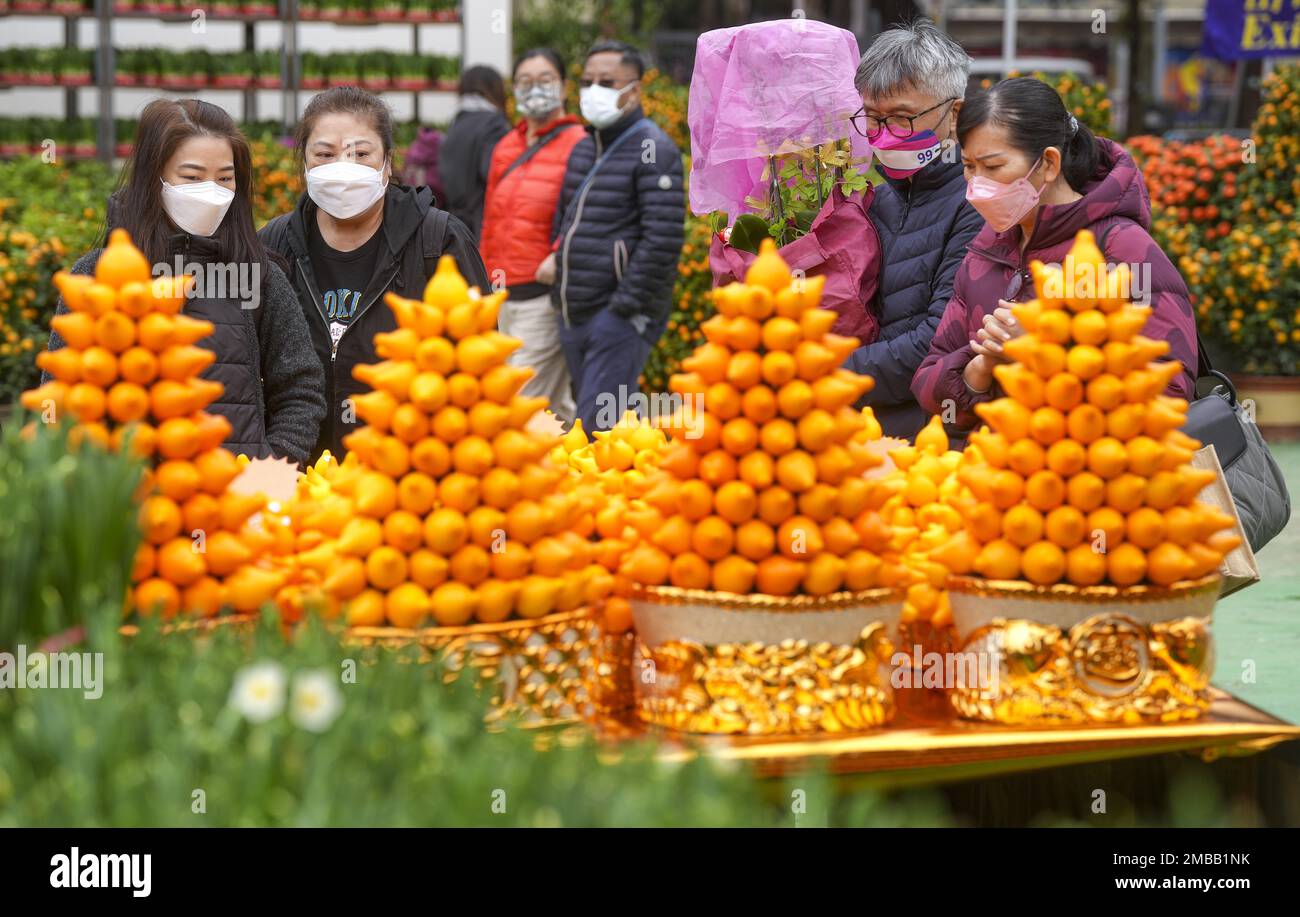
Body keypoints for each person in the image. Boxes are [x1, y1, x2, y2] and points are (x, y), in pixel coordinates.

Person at [45, 98, 325, 464]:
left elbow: (300, 388)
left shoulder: (260, 276)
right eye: (192, 177)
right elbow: (59, 397)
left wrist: (270, 472)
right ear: (153, 178)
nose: (211, 191)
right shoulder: (97, 276)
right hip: (134, 508)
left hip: (237, 504)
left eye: (225, 178)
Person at [912, 76, 1197, 434]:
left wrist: (1044, 352)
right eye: (969, 166)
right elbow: (928, 385)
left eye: (994, 167)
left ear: (1048, 163)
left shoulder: (1122, 249)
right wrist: (981, 367)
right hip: (996, 473)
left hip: (1087, 477)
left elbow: (1169, 394)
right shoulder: (987, 247)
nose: (977, 184)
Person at [260, 86, 489, 460]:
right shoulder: (274, 244)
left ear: (387, 162)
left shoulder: (437, 241)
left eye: (360, 154)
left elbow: (478, 363)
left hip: (407, 470)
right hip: (298, 474)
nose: (342, 167)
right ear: (303, 164)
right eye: (324, 155)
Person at [844, 19, 984, 440]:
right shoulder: (879, 197)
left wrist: (828, 375)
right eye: (871, 119)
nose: (883, 136)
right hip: (870, 429)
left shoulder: (977, 203)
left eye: (901, 119)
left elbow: (939, 339)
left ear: (954, 114)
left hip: (936, 438)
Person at [547, 39, 685, 433]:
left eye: (607, 82)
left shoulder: (652, 148)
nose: (593, 91)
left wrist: (623, 310)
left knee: (596, 430)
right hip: (574, 312)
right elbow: (564, 225)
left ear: (635, 90)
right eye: (587, 81)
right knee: (609, 428)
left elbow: (662, 239)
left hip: (618, 317)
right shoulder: (584, 148)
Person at [479, 47, 586, 423]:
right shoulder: (506, 145)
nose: (534, 89)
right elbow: (492, 218)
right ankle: (578, 470)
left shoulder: (580, 142)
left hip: (543, 295)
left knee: (520, 403)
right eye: (525, 82)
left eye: (544, 81)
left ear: (564, 87)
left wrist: (559, 254)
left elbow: (585, 210)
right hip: (501, 295)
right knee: (549, 409)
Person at [438, 65, 511, 239]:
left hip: (454, 225)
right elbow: (494, 174)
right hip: (481, 226)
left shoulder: (456, 124)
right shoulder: (493, 125)